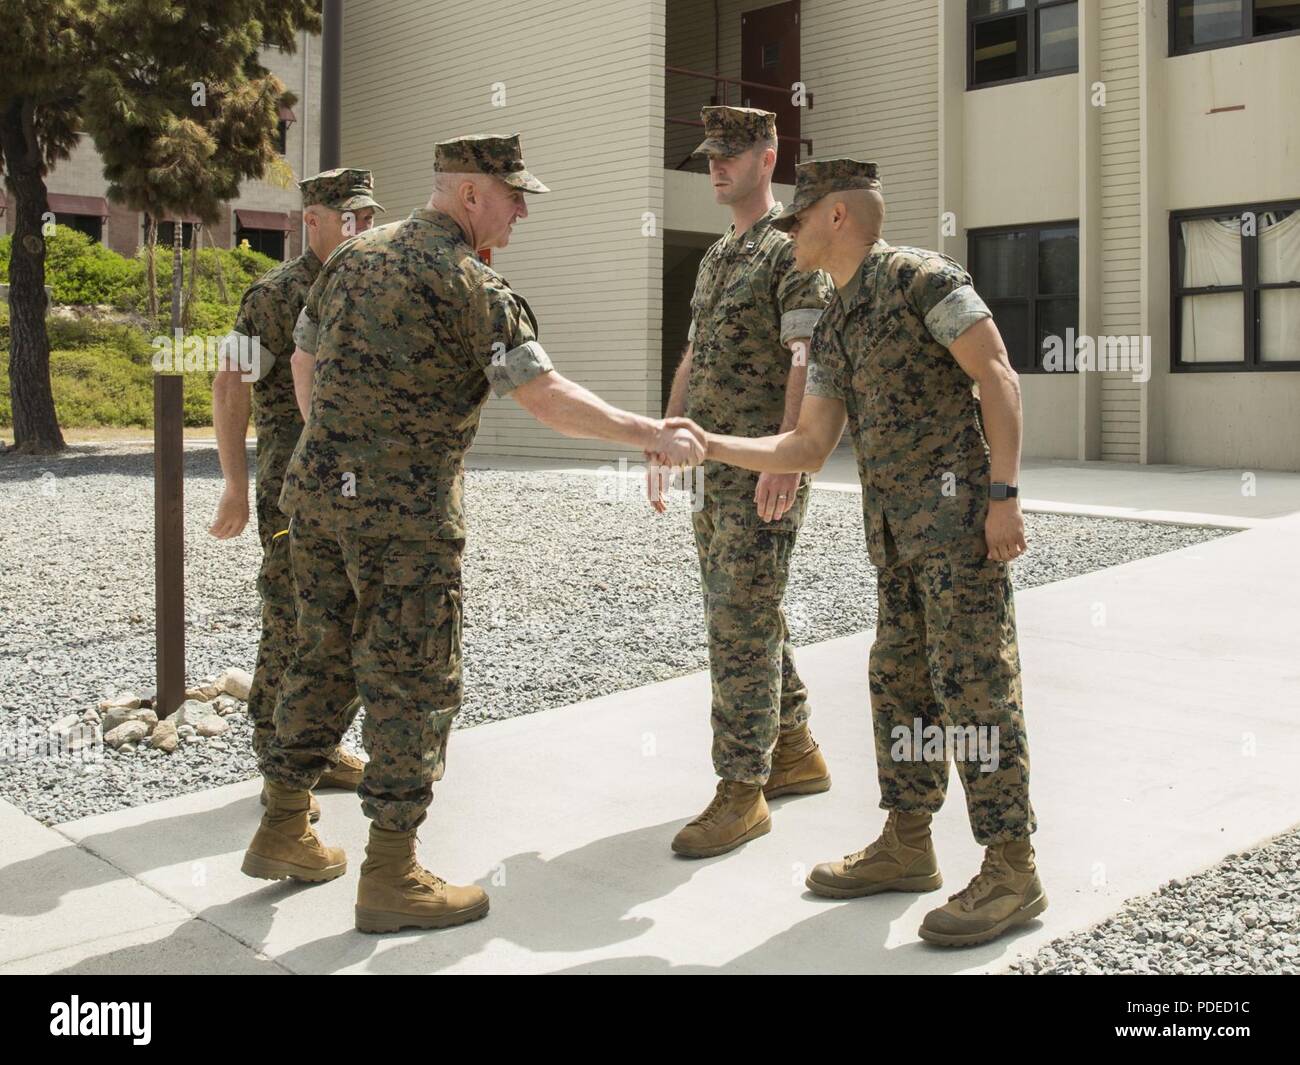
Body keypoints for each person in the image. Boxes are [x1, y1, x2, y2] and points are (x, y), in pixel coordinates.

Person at [240, 134, 708, 935]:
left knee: (319, 651)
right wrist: (649, 433)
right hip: (406, 520)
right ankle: (391, 871)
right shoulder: (470, 284)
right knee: (412, 679)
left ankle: (284, 821)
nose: (522, 210)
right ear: (467, 196)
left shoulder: (352, 258)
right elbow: (545, 397)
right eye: (512, 195)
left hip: (317, 500)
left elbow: (302, 358)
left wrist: (338, 445)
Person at [691, 157, 1045, 947]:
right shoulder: (835, 318)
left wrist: (1004, 495)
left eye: (796, 222)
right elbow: (809, 444)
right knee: (901, 684)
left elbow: (997, 377)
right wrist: (709, 441)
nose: (786, 237)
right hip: (895, 540)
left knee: (975, 690)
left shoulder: (922, 278)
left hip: (957, 531)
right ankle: (907, 841)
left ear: (837, 216)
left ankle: (1012, 866)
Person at [658, 106, 835, 860]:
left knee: (739, 617)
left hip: (760, 467)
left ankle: (741, 789)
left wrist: (786, 458)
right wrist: (662, 432)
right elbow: (695, 351)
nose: (716, 167)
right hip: (711, 469)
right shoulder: (716, 255)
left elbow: (807, 355)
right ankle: (793, 749)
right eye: (709, 156)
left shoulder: (790, 251)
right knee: (745, 608)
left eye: (730, 154)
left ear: (770, 156)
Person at [210, 169, 384, 815]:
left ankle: (322, 747)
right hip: (295, 489)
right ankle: (278, 768)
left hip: (367, 488)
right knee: (293, 618)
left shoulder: (377, 283)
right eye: (349, 217)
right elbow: (230, 386)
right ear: (312, 219)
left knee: (352, 618)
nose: (362, 227)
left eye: (368, 217)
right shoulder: (273, 295)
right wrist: (232, 484)